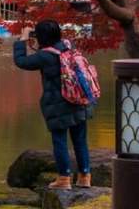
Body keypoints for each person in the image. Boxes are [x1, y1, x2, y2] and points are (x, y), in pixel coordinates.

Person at [14, 20, 94, 189]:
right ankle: (85, 176)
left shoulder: (45, 56)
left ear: (41, 37)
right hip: (79, 100)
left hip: (59, 105)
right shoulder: (67, 46)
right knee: (80, 140)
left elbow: (21, 61)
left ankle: (64, 179)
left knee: (60, 141)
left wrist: (23, 39)